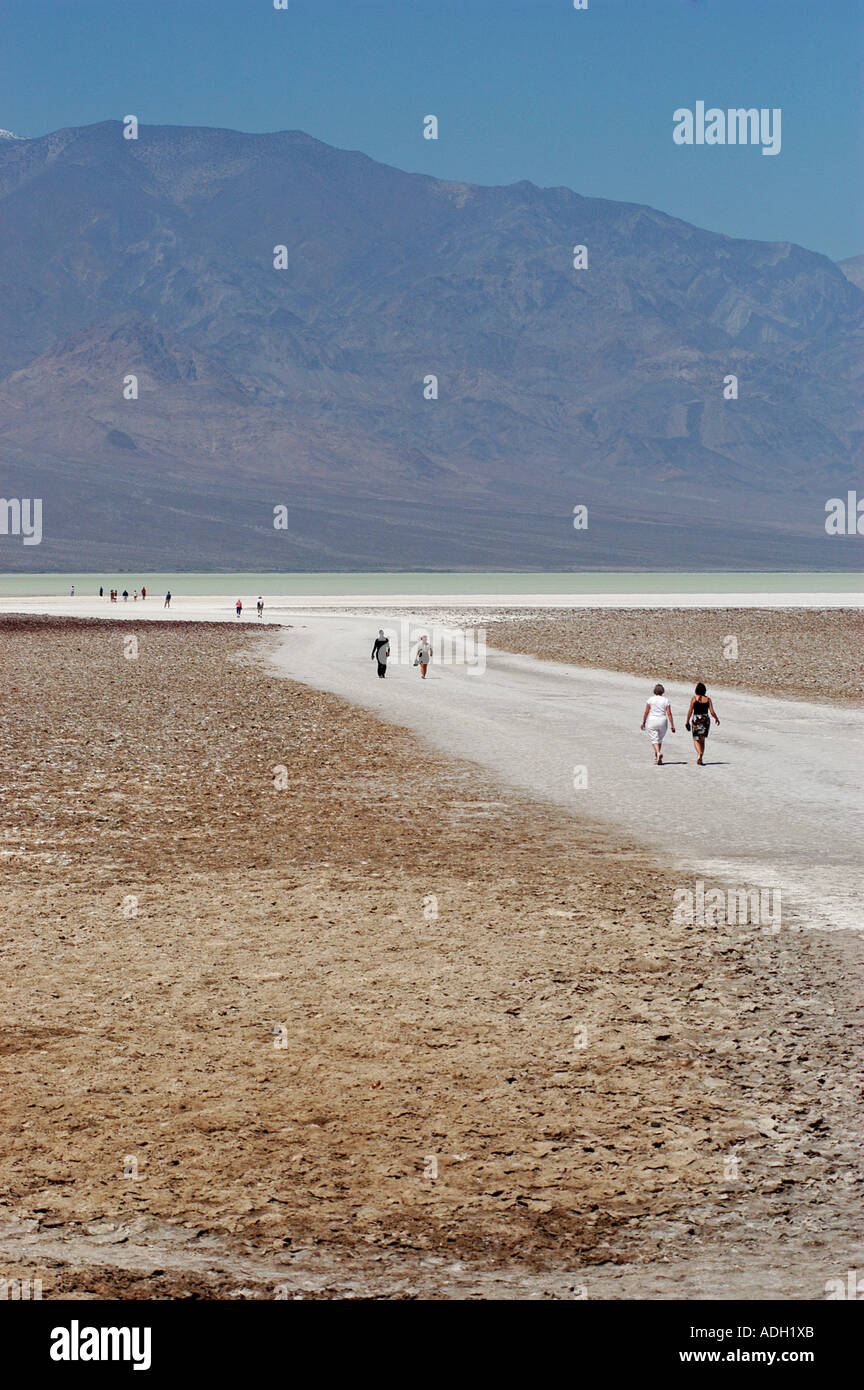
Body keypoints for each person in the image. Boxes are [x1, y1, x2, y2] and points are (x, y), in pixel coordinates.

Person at [685, 682, 720, 766]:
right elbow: (712, 712)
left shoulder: (694, 698)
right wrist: (716, 718)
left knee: (696, 738)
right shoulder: (708, 699)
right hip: (705, 720)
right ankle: (701, 756)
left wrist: (687, 721)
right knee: (702, 739)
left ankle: (699, 753)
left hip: (696, 719)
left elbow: (690, 711)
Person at [640, 682, 675, 765]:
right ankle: (657, 758)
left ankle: (658, 753)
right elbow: (669, 713)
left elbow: (646, 712)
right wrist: (672, 725)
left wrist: (643, 722)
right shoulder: (666, 700)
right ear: (662, 691)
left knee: (654, 739)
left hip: (652, 720)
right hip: (663, 720)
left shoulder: (650, 699)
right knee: (659, 739)